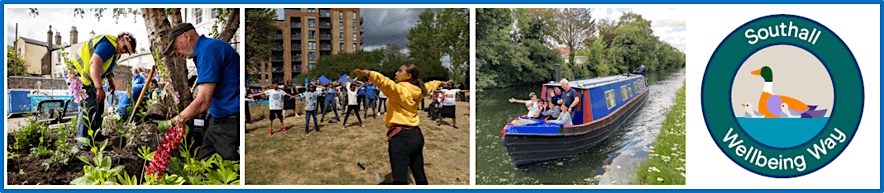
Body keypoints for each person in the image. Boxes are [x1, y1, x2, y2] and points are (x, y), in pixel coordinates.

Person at [353, 64, 448, 185]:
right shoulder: (419, 89)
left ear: (408, 76)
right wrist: (440, 82)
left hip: (401, 139)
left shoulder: (401, 89)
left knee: (400, 181)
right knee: (419, 174)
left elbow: (385, 82)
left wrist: (369, 74)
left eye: (399, 71)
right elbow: (431, 85)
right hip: (416, 136)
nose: (396, 73)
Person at [166, 23, 240, 161]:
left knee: (227, 173)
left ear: (186, 36)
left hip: (230, 123)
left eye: (175, 47)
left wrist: (172, 122)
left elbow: (203, 102)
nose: (176, 53)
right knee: (201, 167)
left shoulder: (208, 51)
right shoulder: (208, 49)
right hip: (217, 120)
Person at [70, 31, 136, 148]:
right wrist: (99, 88)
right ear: (120, 38)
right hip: (77, 74)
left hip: (88, 77)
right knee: (89, 105)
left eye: (127, 51)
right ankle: (83, 140)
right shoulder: (107, 45)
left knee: (99, 104)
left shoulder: (115, 53)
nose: (124, 51)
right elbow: (94, 64)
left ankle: (95, 134)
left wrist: (110, 81)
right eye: (125, 47)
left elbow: (107, 69)